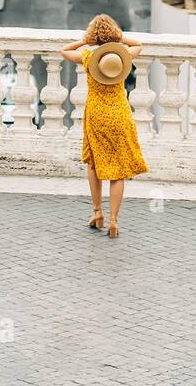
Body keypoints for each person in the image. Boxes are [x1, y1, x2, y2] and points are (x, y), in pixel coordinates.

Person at [60, 14, 148, 239]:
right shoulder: (121, 57)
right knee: (117, 171)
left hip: (97, 115)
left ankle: (97, 212)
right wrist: (118, 38)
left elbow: (64, 50)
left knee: (94, 163)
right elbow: (138, 44)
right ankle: (113, 221)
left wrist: (85, 39)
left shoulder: (88, 56)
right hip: (119, 114)